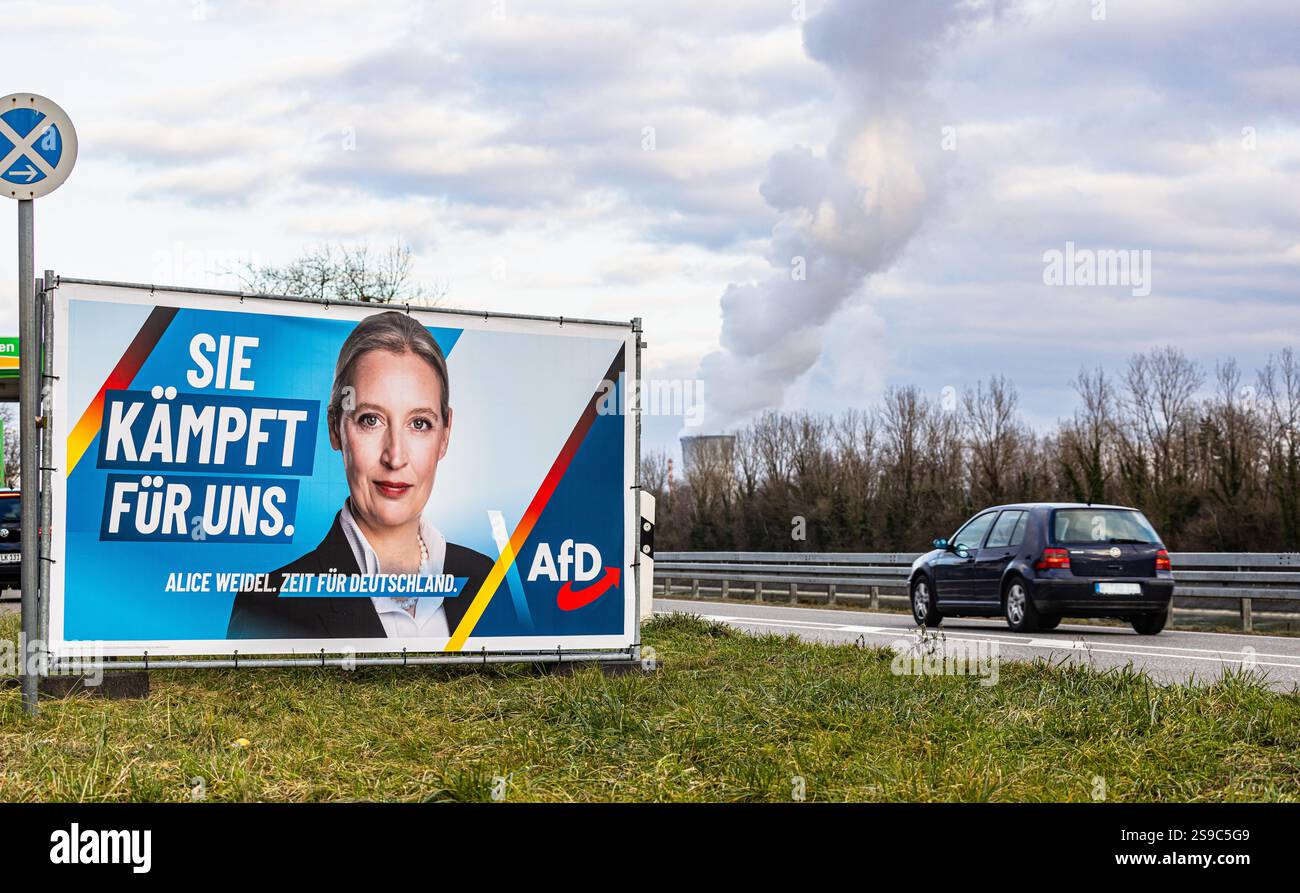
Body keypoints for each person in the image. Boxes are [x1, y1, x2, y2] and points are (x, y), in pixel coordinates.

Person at [227, 311, 495, 640]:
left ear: (445, 434)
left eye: (419, 423)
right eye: (371, 420)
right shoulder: (268, 605)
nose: (395, 456)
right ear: (335, 429)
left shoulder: (488, 581)